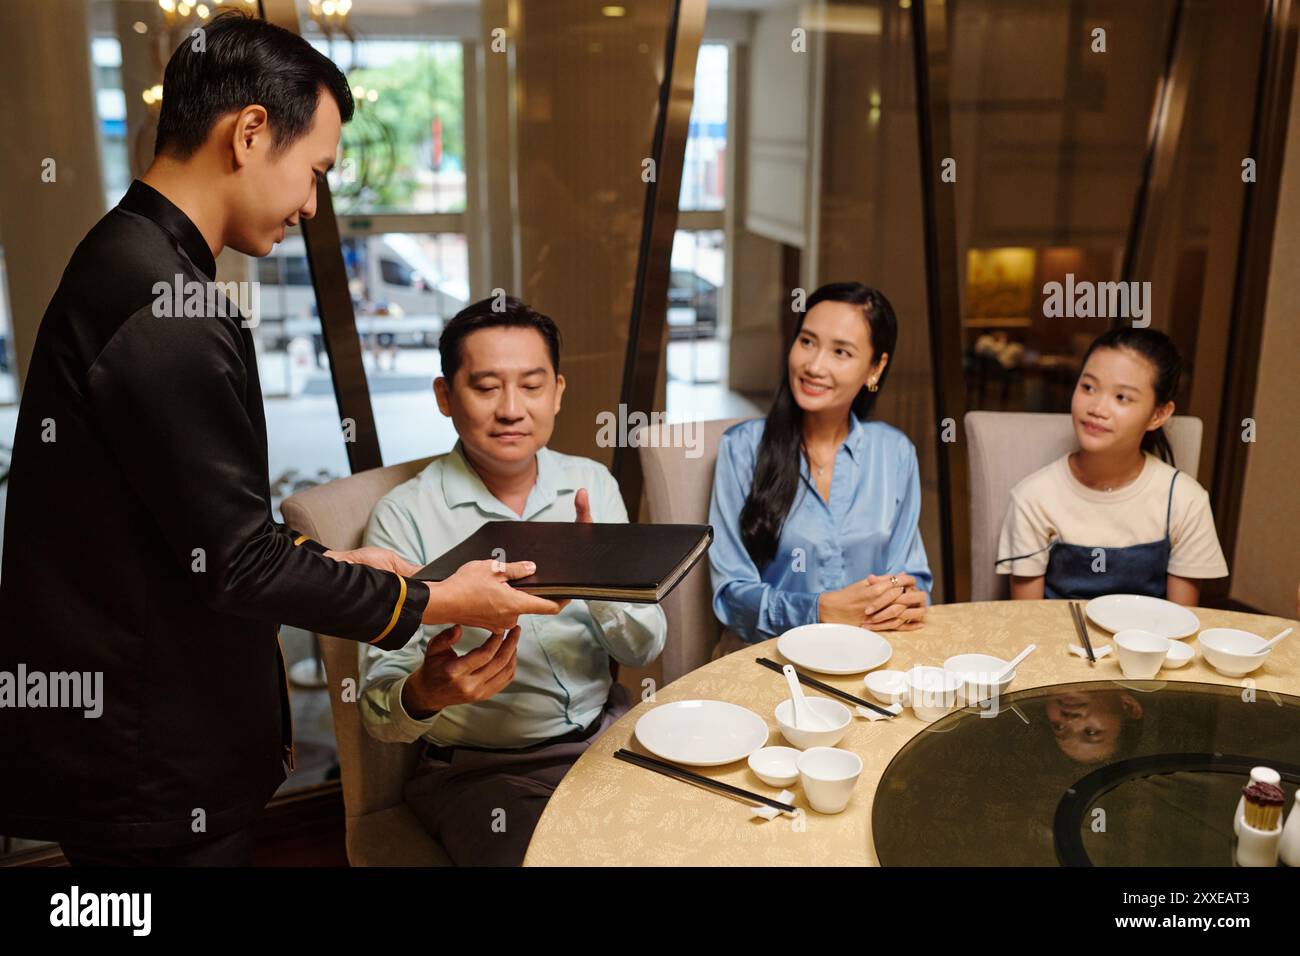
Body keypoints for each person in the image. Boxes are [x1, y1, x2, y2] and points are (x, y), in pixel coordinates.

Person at [0, 13, 559, 866]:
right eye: (315, 172)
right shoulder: (165, 306)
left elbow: (197, 521)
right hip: (147, 757)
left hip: (131, 736)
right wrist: (443, 602)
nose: (310, 203)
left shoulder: (132, 259)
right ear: (252, 132)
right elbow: (236, 563)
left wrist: (333, 567)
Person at [359, 296, 667, 866]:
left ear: (557, 392)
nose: (511, 409)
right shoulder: (404, 515)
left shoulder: (591, 485)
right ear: (445, 396)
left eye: (531, 385)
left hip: (609, 736)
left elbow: (645, 645)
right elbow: (376, 708)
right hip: (483, 772)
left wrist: (596, 580)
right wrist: (427, 692)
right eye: (485, 386)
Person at [708, 282, 931, 649]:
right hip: (769, 661)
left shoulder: (895, 453)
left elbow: (911, 577)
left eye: (841, 352)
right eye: (807, 341)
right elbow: (731, 595)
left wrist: (905, 598)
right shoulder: (741, 449)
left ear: (875, 368)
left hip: (872, 655)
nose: (814, 365)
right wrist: (819, 611)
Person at [997, 327, 1228, 605]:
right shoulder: (1033, 498)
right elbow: (1028, 621)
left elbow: (1182, 623)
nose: (1097, 407)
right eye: (1088, 387)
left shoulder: (1185, 501)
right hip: (1058, 645)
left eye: (1122, 397)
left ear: (1158, 414)